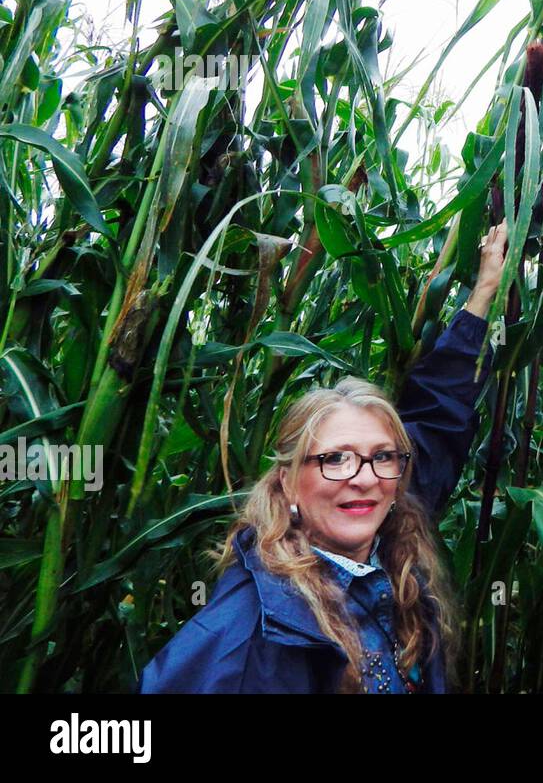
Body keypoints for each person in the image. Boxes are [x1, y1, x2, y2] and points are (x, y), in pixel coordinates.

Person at [138, 223, 508, 693]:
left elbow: (437, 421)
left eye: (382, 457)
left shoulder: (389, 528)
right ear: (288, 480)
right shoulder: (249, 632)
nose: (362, 478)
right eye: (335, 459)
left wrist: (484, 292)